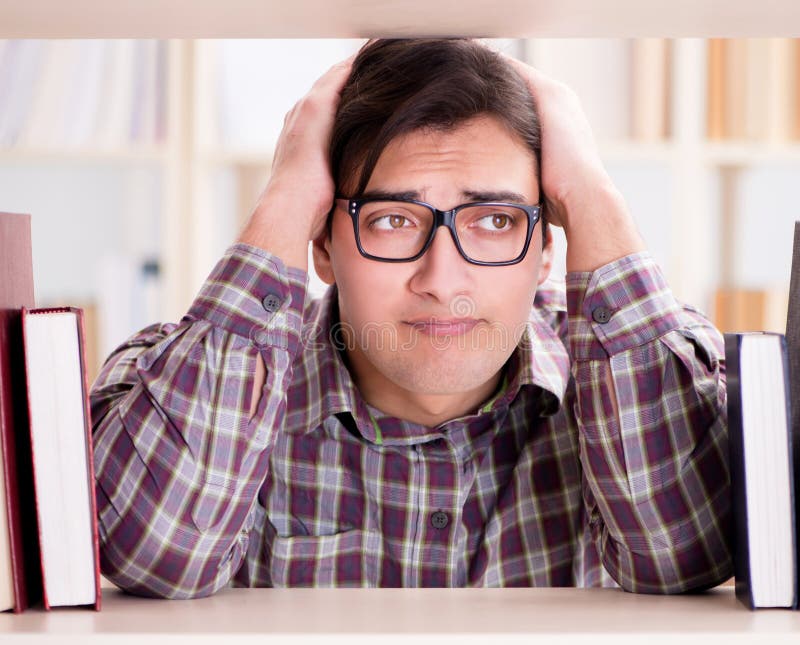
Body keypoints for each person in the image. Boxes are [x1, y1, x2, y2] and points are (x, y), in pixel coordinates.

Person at [90, 39, 732, 598]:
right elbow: (157, 561)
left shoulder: (646, 372)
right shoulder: (175, 383)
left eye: (496, 221)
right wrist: (286, 196)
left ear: (545, 252)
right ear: (320, 245)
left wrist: (593, 193)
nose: (441, 279)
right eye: (393, 221)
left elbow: (683, 556)